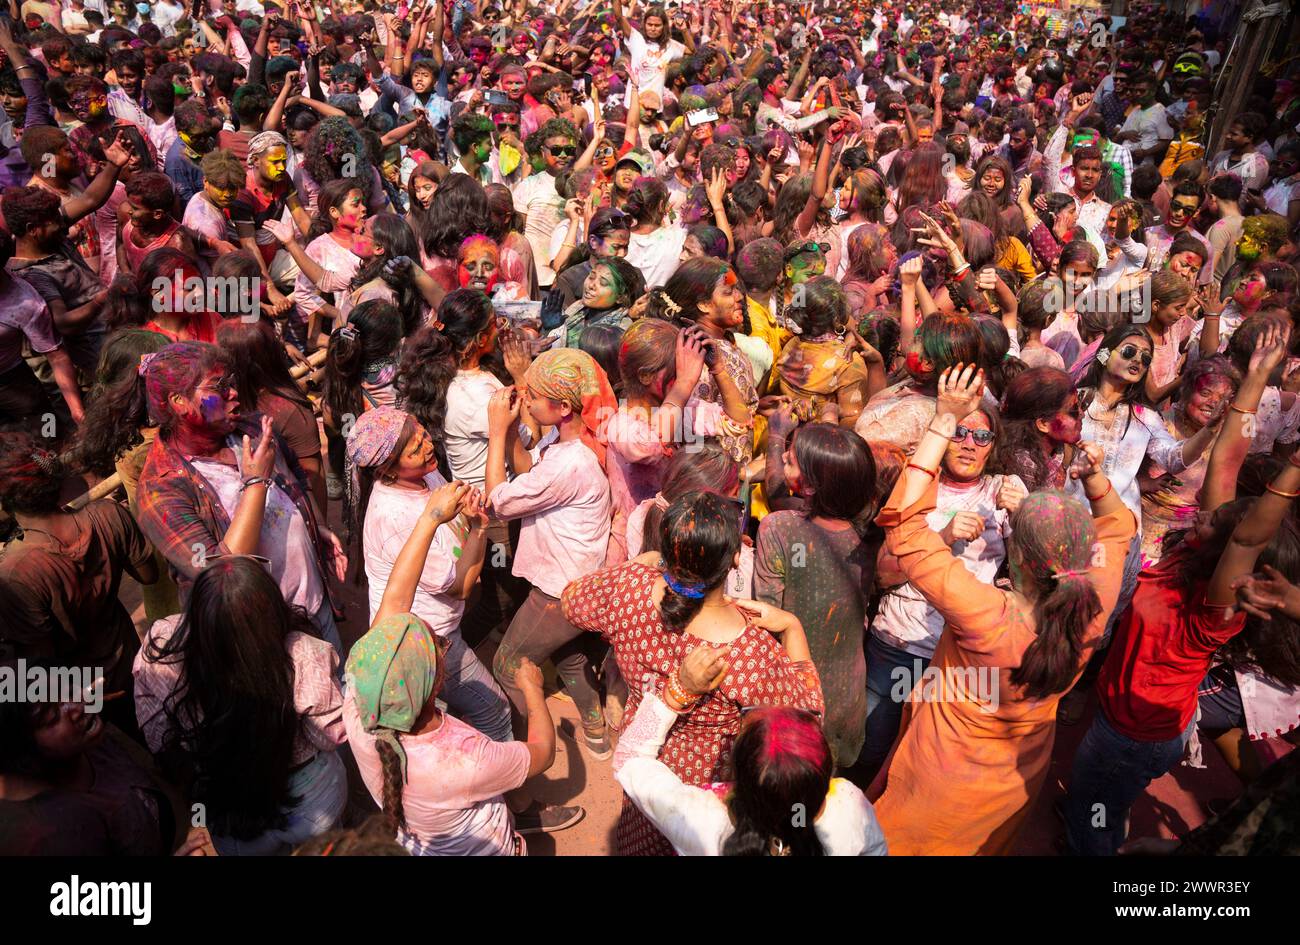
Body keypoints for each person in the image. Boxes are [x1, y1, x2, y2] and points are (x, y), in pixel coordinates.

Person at [870, 363, 1134, 854]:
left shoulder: (984, 615)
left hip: (939, 783)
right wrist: (1095, 476)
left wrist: (941, 421)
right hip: (1013, 788)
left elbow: (906, 529)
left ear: (1018, 557)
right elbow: (1119, 527)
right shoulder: (1093, 607)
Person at [563, 491, 824, 855]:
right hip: (708, 793)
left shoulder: (629, 591)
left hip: (644, 766)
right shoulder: (752, 653)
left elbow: (571, 600)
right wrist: (792, 628)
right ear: (735, 558)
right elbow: (807, 722)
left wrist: (644, 563)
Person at [344, 481, 577, 854]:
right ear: (437, 688)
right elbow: (543, 752)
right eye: (438, 649)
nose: (444, 643)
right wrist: (533, 690)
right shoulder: (466, 757)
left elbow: (396, 597)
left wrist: (431, 519)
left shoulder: (357, 699)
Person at [134, 342, 346, 653]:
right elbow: (221, 574)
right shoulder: (160, 490)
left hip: (315, 607)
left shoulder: (250, 427)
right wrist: (256, 482)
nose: (233, 393)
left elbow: (296, 478)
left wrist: (316, 527)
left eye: (230, 382)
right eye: (218, 388)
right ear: (179, 402)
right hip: (260, 640)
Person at [133, 557, 346, 855]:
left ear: (198, 609)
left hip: (225, 808)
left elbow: (157, 735)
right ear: (272, 608)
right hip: (310, 798)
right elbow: (331, 734)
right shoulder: (303, 653)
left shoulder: (163, 645)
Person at [613, 645, 887, 856]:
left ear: (738, 774)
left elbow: (630, 759)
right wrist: (792, 624)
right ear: (825, 777)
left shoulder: (699, 818)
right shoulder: (850, 806)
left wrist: (678, 690)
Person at [754, 421, 877, 774]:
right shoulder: (871, 537)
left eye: (789, 462)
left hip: (794, 692)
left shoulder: (778, 528)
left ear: (808, 487)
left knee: (788, 782)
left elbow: (768, 613)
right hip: (846, 698)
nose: (783, 465)